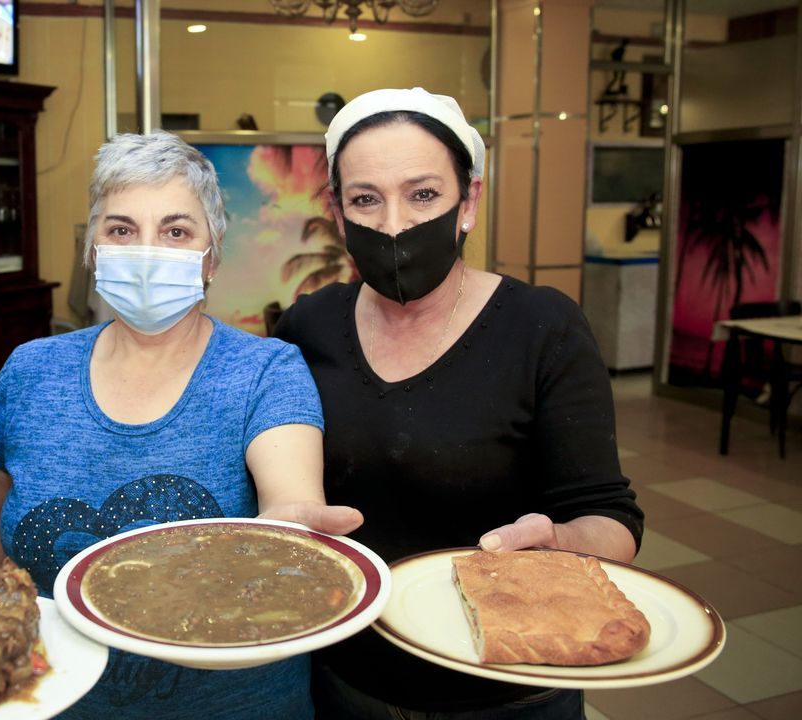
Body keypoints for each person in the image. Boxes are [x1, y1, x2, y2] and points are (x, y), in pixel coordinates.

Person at [272, 88, 645, 719]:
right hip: (345, 679)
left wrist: (559, 541)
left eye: (423, 194)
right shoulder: (307, 325)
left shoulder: (540, 328)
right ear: (337, 213)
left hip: (509, 684)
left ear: (467, 201)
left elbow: (611, 517)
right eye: (366, 199)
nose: (394, 226)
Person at [0, 131, 363, 720]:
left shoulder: (264, 371)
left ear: (211, 256)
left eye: (176, 231)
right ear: (92, 250)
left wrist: (289, 529)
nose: (147, 251)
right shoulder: (30, 372)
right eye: (121, 229)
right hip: (53, 702)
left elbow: (292, 496)